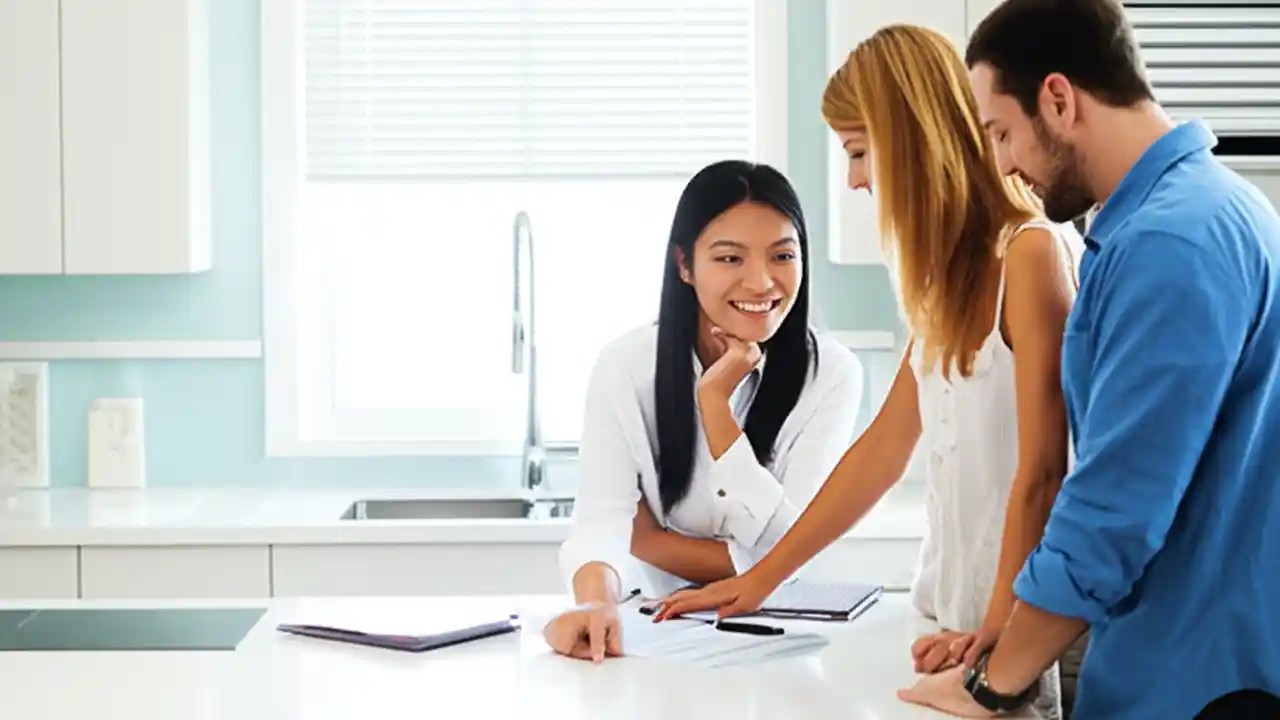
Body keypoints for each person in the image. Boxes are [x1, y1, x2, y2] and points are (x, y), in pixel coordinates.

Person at [654, 24, 1080, 717]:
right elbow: (883, 450)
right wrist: (758, 581)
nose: (853, 177)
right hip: (953, 622)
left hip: (1016, 637)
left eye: (858, 151)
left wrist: (1000, 643)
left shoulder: (1030, 254)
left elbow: (1046, 474)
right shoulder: (943, 283)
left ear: (911, 140)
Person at [898, 0, 1280, 717]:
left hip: (1194, 682)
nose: (1005, 162)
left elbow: (1112, 511)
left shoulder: (1172, 243)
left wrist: (993, 683)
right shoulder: (1201, 212)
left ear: (1059, 98)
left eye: (1003, 133)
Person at [541, 160, 864, 663]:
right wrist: (595, 604)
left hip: (782, 637)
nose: (760, 283)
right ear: (684, 266)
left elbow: (788, 549)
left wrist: (715, 407)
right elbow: (602, 522)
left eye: (782, 255)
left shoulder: (833, 373)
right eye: (730, 259)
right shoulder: (626, 367)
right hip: (652, 635)